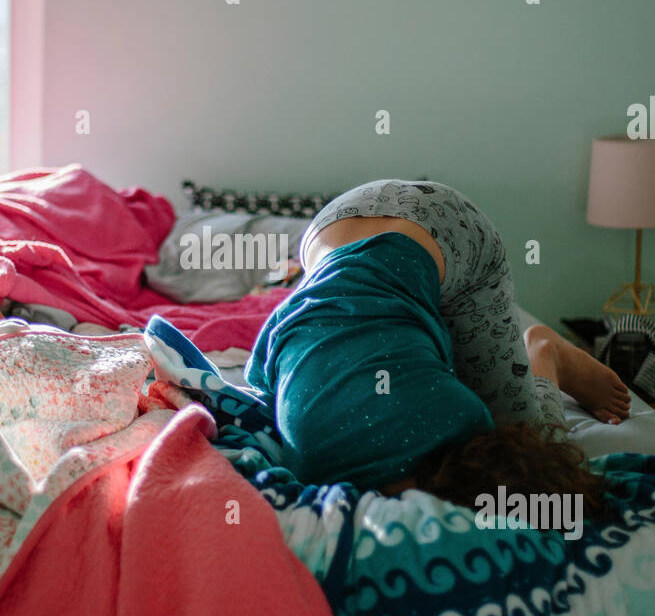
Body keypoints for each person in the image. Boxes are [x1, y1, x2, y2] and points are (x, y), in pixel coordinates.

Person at [244, 179, 630, 513]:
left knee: (531, 447)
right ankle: (545, 353)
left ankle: (544, 348)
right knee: (530, 448)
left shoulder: (460, 423)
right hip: (343, 231)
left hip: (443, 232)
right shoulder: (459, 422)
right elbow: (263, 369)